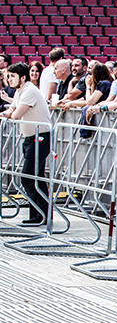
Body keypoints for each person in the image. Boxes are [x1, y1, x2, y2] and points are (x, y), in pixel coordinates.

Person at [2, 63, 52, 225]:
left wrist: (5, 114)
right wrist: (5, 113)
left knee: (28, 178)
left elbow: (16, 114)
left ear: (22, 77)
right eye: (8, 76)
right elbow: (11, 110)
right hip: (30, 138)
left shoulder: (29, 90)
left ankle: (41, 214)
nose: (9, 79)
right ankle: (39, 215)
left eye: (13, 76)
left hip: (40, 137)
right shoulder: (20, 91)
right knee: (35, 177)